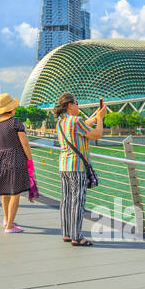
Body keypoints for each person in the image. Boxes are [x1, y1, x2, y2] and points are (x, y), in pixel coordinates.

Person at [55, 92, 104, 246]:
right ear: (70, 105)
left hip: (64, 166)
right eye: (76, 103)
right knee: (78, 201)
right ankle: (77, 236)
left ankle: (67, 233)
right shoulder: (76, 121)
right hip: (77, 166)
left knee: (66, 200)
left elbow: (84, 125)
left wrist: (95, 117)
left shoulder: (61, 122)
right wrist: (101, 119)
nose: (78, 106)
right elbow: (97, 135)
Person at [0, 93, 33, 233]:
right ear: (11, 108)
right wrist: (29, 159)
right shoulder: (16, 122)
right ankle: (10, 226)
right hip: (16, 157)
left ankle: (6, 219)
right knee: (15, 193)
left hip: (0, 158)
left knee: (5, 193)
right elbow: (24, 143)